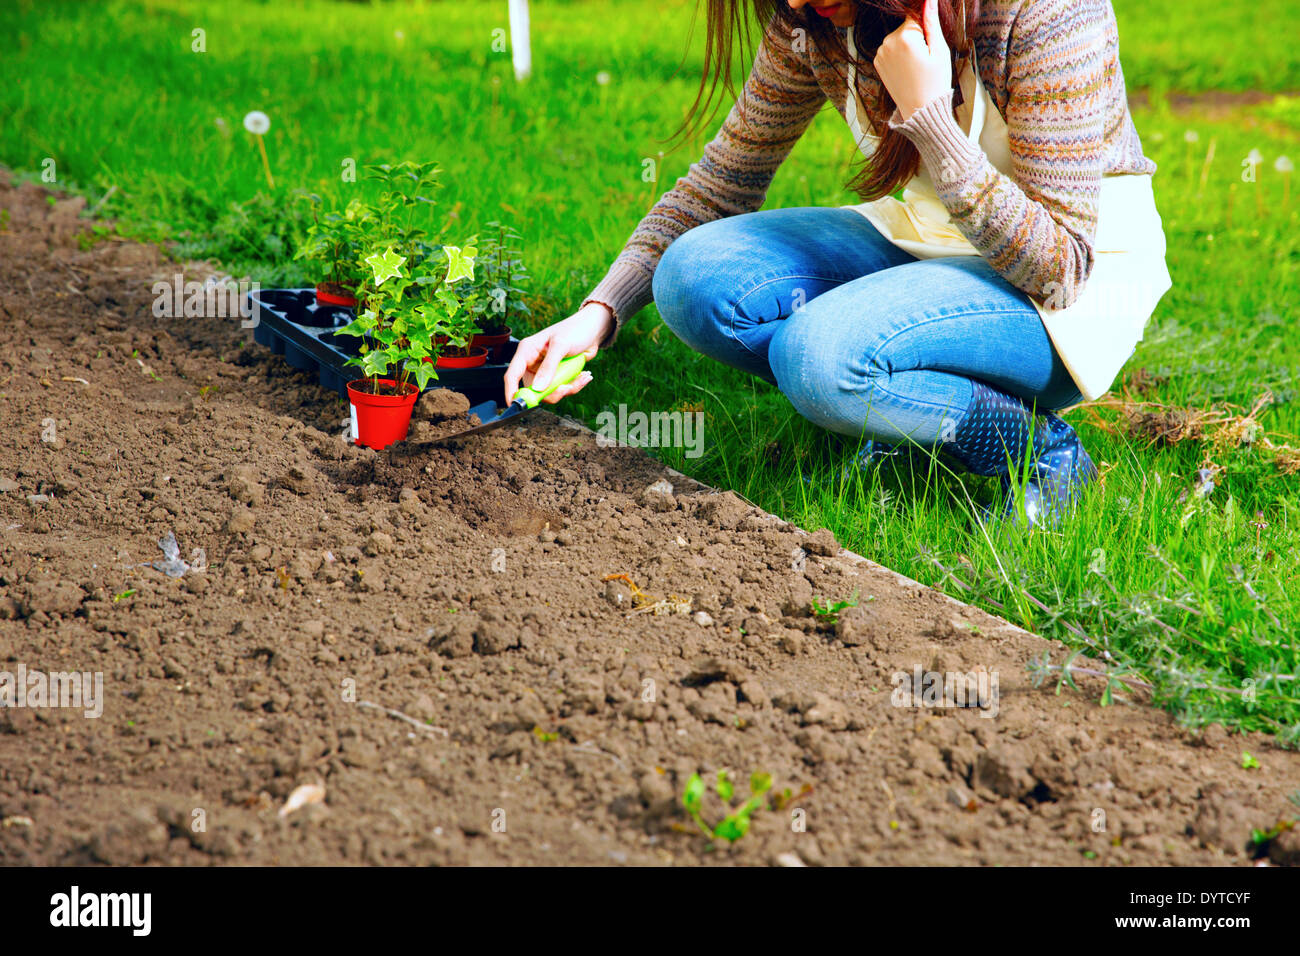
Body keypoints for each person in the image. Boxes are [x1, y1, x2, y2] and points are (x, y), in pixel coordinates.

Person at [504, 0, 1172, 528]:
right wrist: (598, 313)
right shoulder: (816, 23)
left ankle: (1037, 451)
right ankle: (895, 413)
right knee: (692, 278)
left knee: (820, 359)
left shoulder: (1048, 12)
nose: (796, 1)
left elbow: (1059, 266)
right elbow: (722, 181)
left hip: (1064, 293)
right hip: (926, 240)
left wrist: (931, 120)